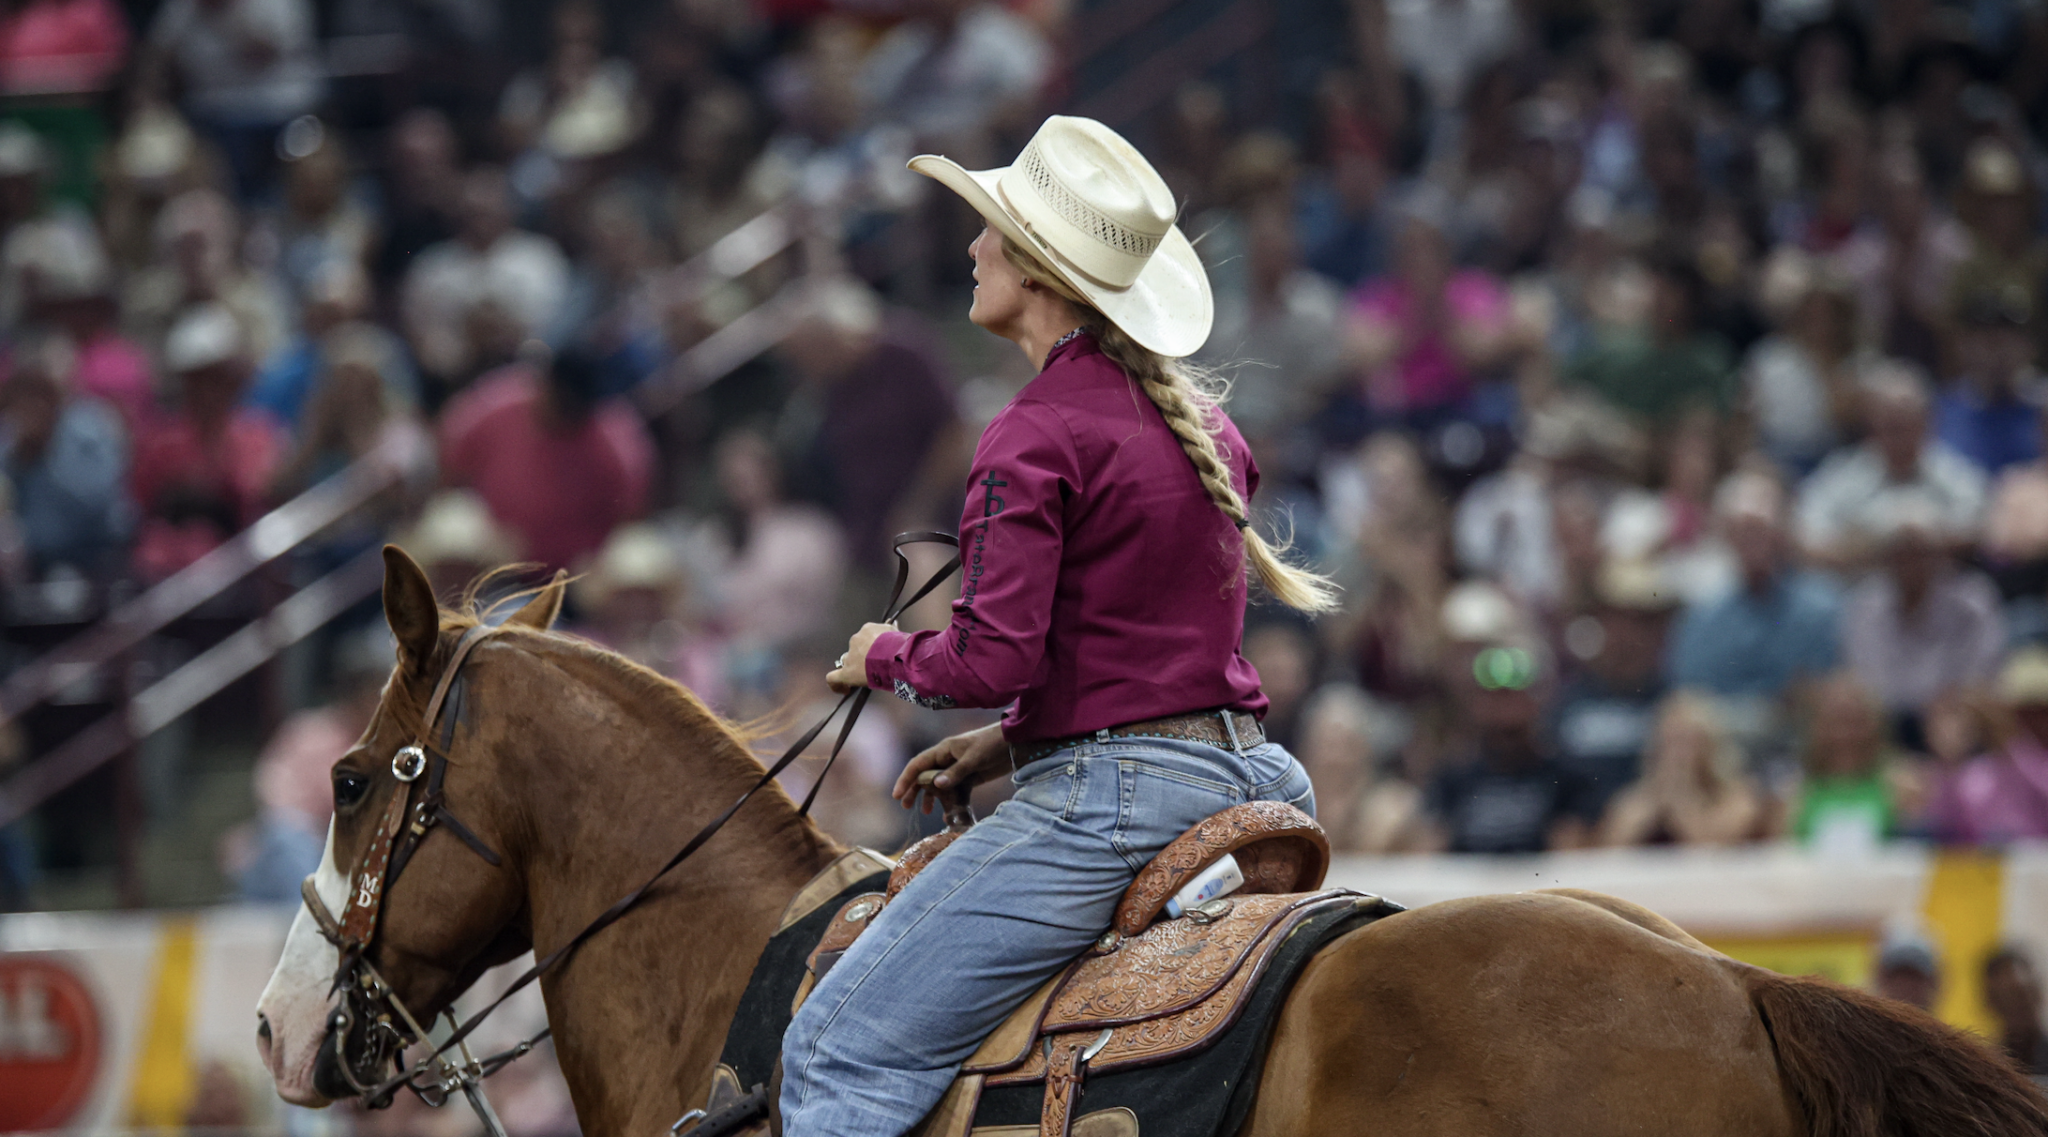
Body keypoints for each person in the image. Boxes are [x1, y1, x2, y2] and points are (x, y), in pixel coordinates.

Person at [784, 115, 1331, 1137]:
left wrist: (880, 656)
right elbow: (1149, 648)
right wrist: (1014, 739)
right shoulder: (1206, 425)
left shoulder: (1031, 432)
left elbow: (988, 657)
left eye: (988, 230)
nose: (971, 247)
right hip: (1250, 771)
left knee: (835, 1047)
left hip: (1111, 806)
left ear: (1033, 267)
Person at [1598, 692, 1765, 847]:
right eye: (1669, 742)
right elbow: (1613, 850)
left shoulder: (1737, 795)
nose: (1677, 753)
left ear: (1711, 746)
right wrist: (1653, 804)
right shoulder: (1633, 799)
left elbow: (1714, 849)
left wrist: (1681, 802)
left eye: (1688, 741)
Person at [1984, 948, 2048, 1077]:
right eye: (2009, 995)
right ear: (1992, 1001)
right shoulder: (1988, 1066)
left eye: (2025, 992)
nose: (2022, 1004)